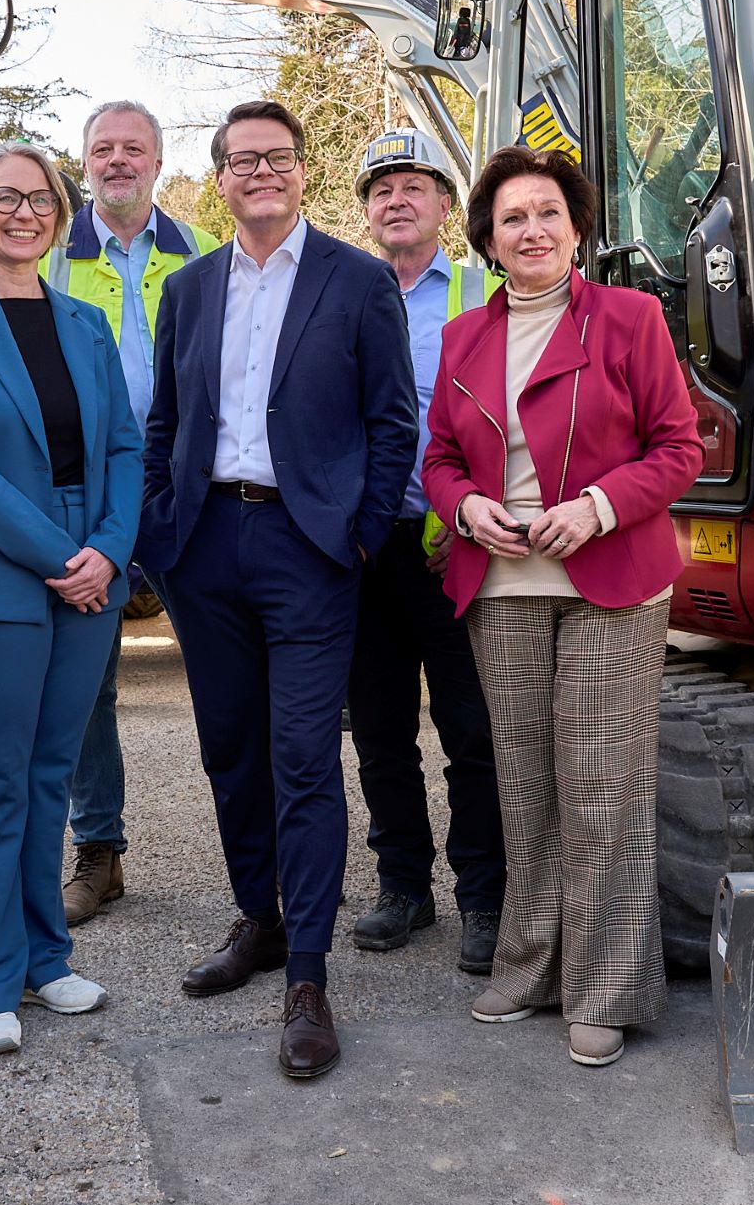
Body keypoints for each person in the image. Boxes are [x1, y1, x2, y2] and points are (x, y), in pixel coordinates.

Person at [141, 99, 417, 1081]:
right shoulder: (189, 286)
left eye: (278, 157)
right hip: (205, 543)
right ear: (217, 178)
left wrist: (359, 529)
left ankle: (307, 975)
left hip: (310, 547)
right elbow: (165, 422)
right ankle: (256, 920)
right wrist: (157, 529)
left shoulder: (357, 279)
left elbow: (394, 423)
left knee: (303, 755)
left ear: (302, 172)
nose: (261, 171)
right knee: (232, 750)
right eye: (241, 158)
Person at [421, 145, 704, 1070]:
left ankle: (606, 986)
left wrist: (598, 507)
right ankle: (532, 963)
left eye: (547, 213)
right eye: (512, 219)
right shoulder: (465, 338)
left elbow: (678, 446)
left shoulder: (629, 318)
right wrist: (464, 505)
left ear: (576, 228)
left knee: (602, 787)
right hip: (501, 582)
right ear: (489, 241)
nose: (532, 230)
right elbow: (439, 459)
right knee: (525, 784)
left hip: (610, 575)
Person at [0, 143, 142, 1056]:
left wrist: (109, 553)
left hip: (91, 561)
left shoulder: (85, 321)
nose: (23, 211)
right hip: (2, 567)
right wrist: (63, 555)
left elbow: (125, 445)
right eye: (2, 197)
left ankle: (46, 957)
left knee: (54, 771)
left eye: (40, 197)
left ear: (60, 214)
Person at [40, 100, 218, 928]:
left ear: (158, 158)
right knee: (84, 688)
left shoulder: (207, 256)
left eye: (133, 148)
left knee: (229, 679)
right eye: (103, 149)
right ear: (85, 162)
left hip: (189, 499)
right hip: (88, 502)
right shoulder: (47, 262)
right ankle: (98, 853)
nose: (119, 161)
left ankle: (261, 859)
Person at [343, 129, 506, 972]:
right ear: (366, 212)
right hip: (369, 553)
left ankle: (484, 897)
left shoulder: (489, 294)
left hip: (461, 548)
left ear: (447, 205)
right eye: (381, 190)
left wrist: (473, 522)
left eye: (414, 185)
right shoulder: (342, 294)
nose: (396, 200)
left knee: (472, 733)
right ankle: (402, 887)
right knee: (378, 731)